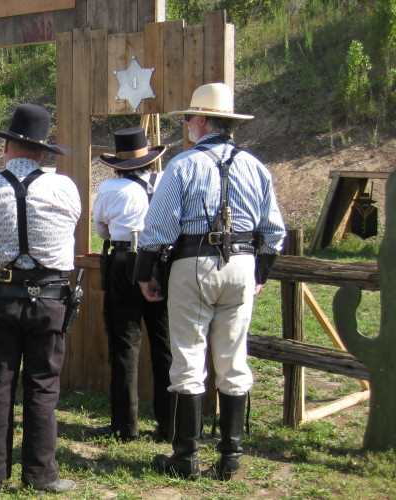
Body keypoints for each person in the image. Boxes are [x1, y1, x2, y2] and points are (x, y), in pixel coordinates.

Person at [134, 83, 286, 481]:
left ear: (202, 120)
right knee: (233, 359)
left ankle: (186, 457)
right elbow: (273, 233)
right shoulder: (256, 167)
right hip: (243, 263)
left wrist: (145, 275)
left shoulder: (183, 166)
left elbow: (157, 229)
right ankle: (231, 457)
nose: (185, 124)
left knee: (189, 356)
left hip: (194, 262)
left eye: (187, 117)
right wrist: (260, 277)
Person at [0, 104, 80, 493]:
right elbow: (74, 224)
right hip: (49, 296)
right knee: (43, 385)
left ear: (7, 146)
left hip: (0, 295)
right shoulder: (64, 187)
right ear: (43, 151)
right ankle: (40, 474)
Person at [93, 127, 172, 442]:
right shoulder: (166, 182)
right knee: (164, 345)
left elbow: (102, 231)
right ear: (151, 159)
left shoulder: (112, 188)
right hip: (162, 261)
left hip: (125, 261)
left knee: (124, 344)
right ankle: (169, 424)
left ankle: (125, 426)